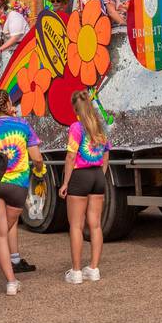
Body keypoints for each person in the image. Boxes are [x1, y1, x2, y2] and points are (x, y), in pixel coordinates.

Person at [0, 90, 45, 296]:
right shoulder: (24, 126)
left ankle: (4, 282)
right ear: (9, 103)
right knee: (0, 235)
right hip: (18, 187)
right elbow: (37, 158)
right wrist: (38, 171)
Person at [59, 90, 109, 284]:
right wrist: (101, 174)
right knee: (95, 224)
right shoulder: (99, 127)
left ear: (75, 109)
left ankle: (77, 271)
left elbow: (71, 156)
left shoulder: (76, 127)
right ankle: (94, 269)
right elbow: (106, 155)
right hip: (97, 175)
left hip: (80, 176)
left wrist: (65, 183)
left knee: (76, 225)